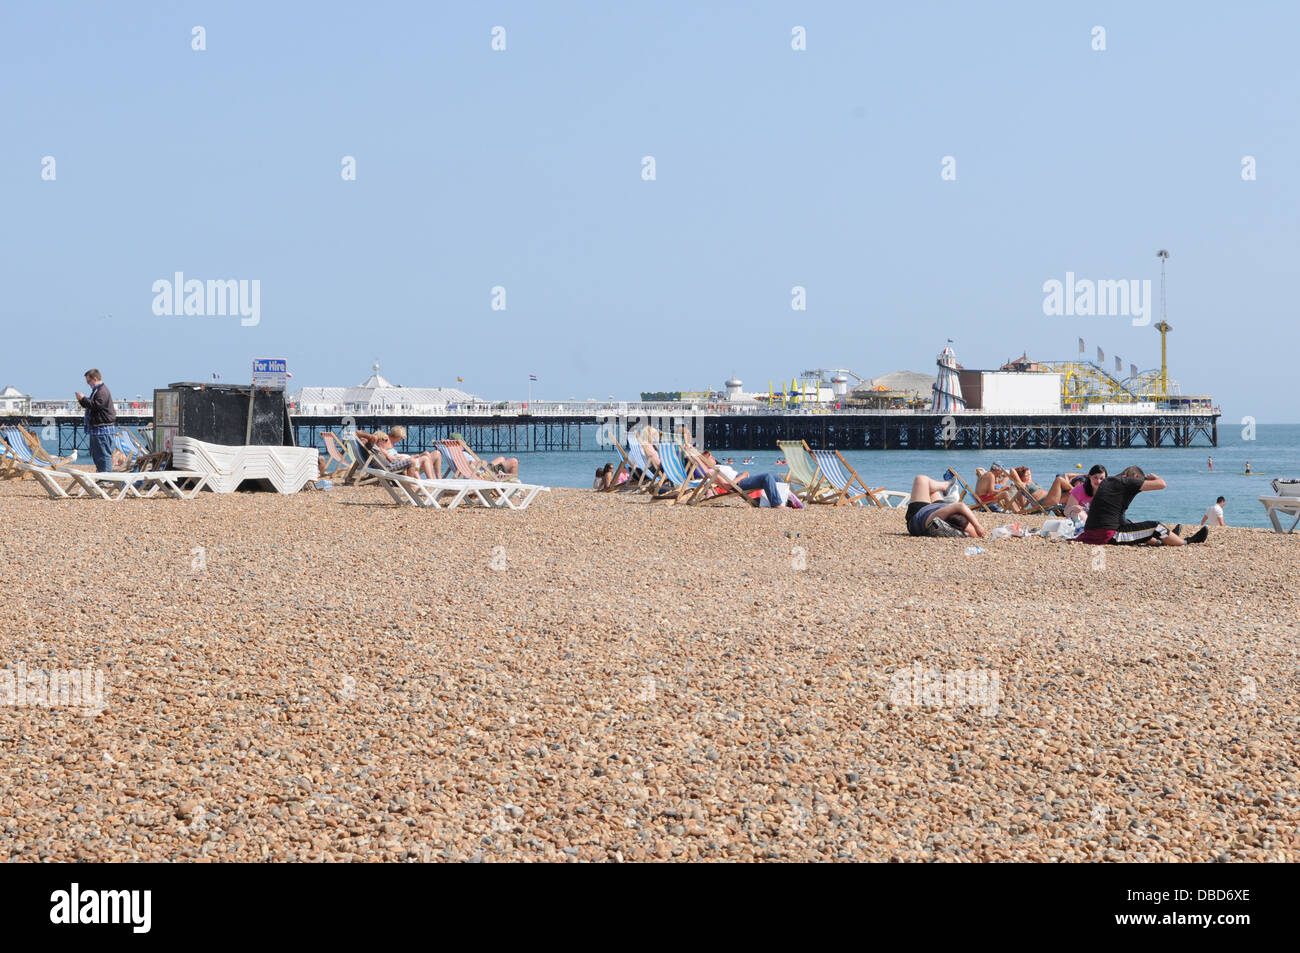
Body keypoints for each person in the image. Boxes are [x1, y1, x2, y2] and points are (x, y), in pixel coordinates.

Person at [1077, 465, 1207, 546]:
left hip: (1092, 532)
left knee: (1129, 524)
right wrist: (1153, 477)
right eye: (1139, 480)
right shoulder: (1127, 482)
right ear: (1134, 477)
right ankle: (1186, 542)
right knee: (1157, 527)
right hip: (1107, 536)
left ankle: (1163, 541)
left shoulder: (1109, 482)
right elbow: (1162, 484)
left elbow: (1120, 519)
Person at [693, 450, 797, 508]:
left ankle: (789, 499)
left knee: (774, 476)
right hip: (738, 484)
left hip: (740, 480)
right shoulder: (712, 472)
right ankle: (777, 504)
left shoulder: (717, 467)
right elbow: (729, 485)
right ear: (706, 462)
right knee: (767, 477)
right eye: (711, 458)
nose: (714, 458)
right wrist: (742, 475)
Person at [904, 475, 987, 538]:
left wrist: (977, 525)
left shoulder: (936, 519)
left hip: (919, 513)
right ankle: (946, 490)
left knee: (921, 479)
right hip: (938, 506)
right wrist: (978, 529)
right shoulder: (950, 518)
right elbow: (979, 534)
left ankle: (945, 486)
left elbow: (960, 505)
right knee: (931, 488)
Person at [357, 426, 441, 480]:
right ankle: (431, 481)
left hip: (396, 463)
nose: (384, 440)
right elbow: (374, 438)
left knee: (433, 453)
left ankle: (437, 480)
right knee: (425, 457)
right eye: (400, 438)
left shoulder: (375, 448)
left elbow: (375, 441)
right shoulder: (377, 444)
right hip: (395, 465)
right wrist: (361, 434)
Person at [75, 369, 117, 473]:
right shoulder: (97, 390)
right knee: (97, 454)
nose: (88, 384)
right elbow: (91, 406)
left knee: (103, 454)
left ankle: (106, 478)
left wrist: (83, 398)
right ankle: (101, 475)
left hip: (103, 428)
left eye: (89, 381)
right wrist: (81, 400)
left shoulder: (102, 391)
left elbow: (96, 405)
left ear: (95, 379)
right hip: (98, 428)